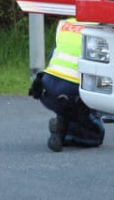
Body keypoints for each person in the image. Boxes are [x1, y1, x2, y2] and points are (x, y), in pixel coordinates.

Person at [28, 18, 105, 152]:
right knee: (96, 135)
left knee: (67, 108)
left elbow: (51, 56)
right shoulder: (101, 28)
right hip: (72, 91)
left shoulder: (65, 24)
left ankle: (61, 126)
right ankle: (67, 134)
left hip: (46, 88)